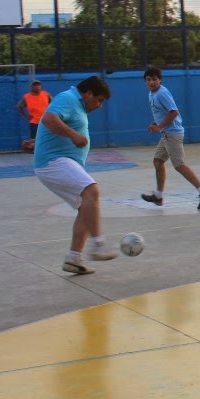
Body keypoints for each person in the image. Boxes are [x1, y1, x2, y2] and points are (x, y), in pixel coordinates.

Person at [32, 75, 117, 275]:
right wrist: (73, 135)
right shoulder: (68, 98)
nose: (99, 105)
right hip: (53, 162)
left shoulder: (76, 105)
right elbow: (48, 119)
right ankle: (99, 245)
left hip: (59, 162)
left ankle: (74, 258)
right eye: (99, 100)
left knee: (86, 209)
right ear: (88, 93)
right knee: (92, 191)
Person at [139, 66, 200, 210]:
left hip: (173, 134)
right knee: (158, 161)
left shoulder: (162, 93)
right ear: (145, 82)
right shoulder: (151, 94)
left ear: (160, 80)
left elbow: (173, 112)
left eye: (155, 79)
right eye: (149, 79)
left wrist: (159, 127)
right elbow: (162, 112)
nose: (152, 82)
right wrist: (156, 123)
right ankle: (158, 196)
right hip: (166, 133)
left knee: (179, 165)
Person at [16, 79, 52, 149]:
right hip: (35, 123)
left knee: (48, 139)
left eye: (38, 85)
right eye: (35, 85)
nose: (37, 87)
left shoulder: (46, 94)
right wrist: (25, 116)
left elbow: (54, 103)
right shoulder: (27, 97)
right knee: (35, 141)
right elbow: (19, 106)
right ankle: (36, 154)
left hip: (47, 122)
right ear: (31, 87)